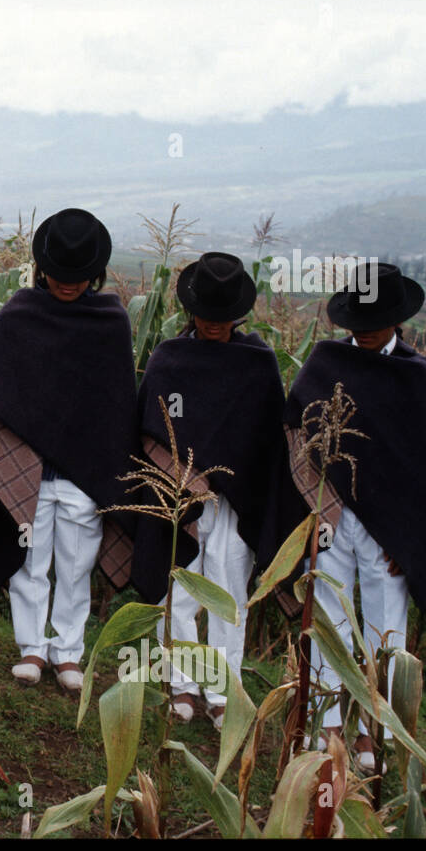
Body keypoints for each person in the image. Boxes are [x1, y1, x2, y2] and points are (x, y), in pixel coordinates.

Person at [0, 209, 137, 690]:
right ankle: (32, 649)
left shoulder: (110, 322)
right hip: (28, 466)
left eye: (78, 277)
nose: (67, 284)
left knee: (76, 564)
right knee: (29, 558)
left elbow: (116, 403)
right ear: (43, 268)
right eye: (59, 275)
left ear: (93, 275)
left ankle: (69, 652)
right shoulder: (20, 315)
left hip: (84, 470)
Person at [287, 261, 426, 771]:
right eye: (356, 324)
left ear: (397, 320)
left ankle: (371, 735)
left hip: (391, 531)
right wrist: (317, 507)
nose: (362, 335)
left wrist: (415, 542)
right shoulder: (326, 362)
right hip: (332, 517)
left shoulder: (419, 376)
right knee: (330, 621)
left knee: (385, 630)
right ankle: (328, 725)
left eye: (373, 324)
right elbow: (296, 431)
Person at [131, 252, 292, 726]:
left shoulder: (257, 364)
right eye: (207, 315)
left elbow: (267, 437)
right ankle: (181, 685)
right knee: (178, 584)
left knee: (227, 591)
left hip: (237, 502)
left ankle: (223, 691)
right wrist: (184, 479)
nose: (215, 325)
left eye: (224, 317)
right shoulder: (170, 358)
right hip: (180, 494)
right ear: (191, 311)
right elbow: (151, 427)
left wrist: (233, 483)